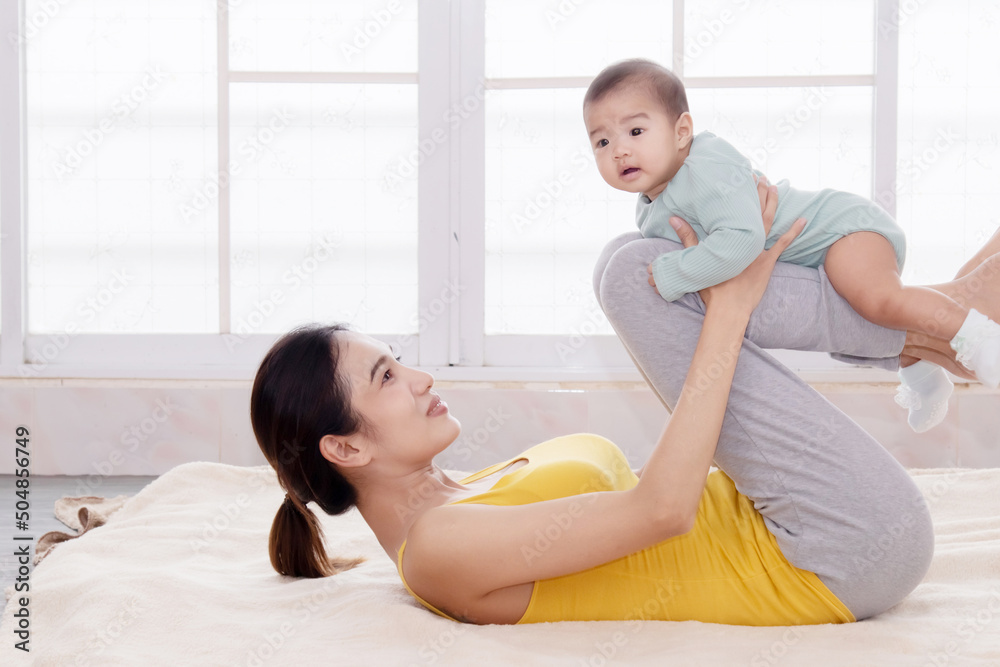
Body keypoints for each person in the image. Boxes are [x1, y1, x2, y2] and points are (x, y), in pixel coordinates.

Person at [250, 181, 1000, 626]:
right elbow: (663, 509)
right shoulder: (438, 552)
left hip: (798, 517)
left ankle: (943, 325)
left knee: (625, 263)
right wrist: (728, 314)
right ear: (344, 448)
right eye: (384, 376)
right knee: (634, 276)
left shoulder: (464, 487)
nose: (417, 376)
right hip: (834, 553)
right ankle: (943, 324)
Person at [582, 57, 1000, 433]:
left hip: (841, 229)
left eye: (636, 131)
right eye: (602, 142)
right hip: (815, 253)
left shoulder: (704, 166)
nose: (619, 150)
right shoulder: (651, 203)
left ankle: (978, 335)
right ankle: (923, 372)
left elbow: (742, 241)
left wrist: (676, 273)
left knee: (879, 302)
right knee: (856, 314)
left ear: (682, 132)